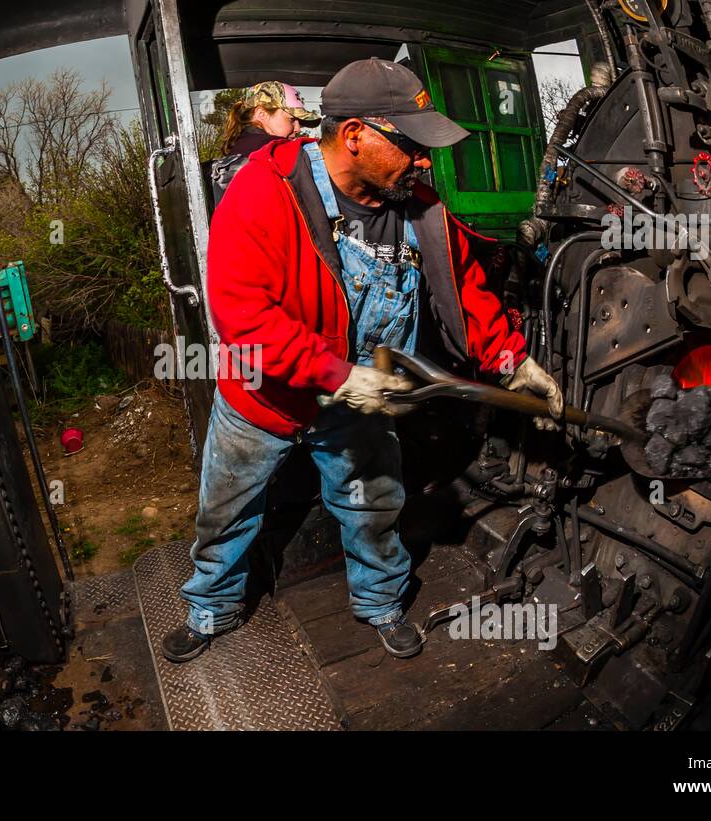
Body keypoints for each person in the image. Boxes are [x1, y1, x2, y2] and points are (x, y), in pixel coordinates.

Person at [165, 58, 563, 663]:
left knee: (374, 506)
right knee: (227, 511)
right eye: (413, 146)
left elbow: (465, 288)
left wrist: (511, 359)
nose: (426, 161)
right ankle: (211, 607)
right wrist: (336, 375)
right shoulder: (263, 192)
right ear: (355, 135)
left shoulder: (419, 208)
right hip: (264, 398)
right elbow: (243, 317)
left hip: (364, 400)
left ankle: (380, 602)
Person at [210, 81, 320, 202]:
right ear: (262, 114)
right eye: (292, 119)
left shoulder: (235, 152)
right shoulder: (278, 152)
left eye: (299, 122)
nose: (298, 128)